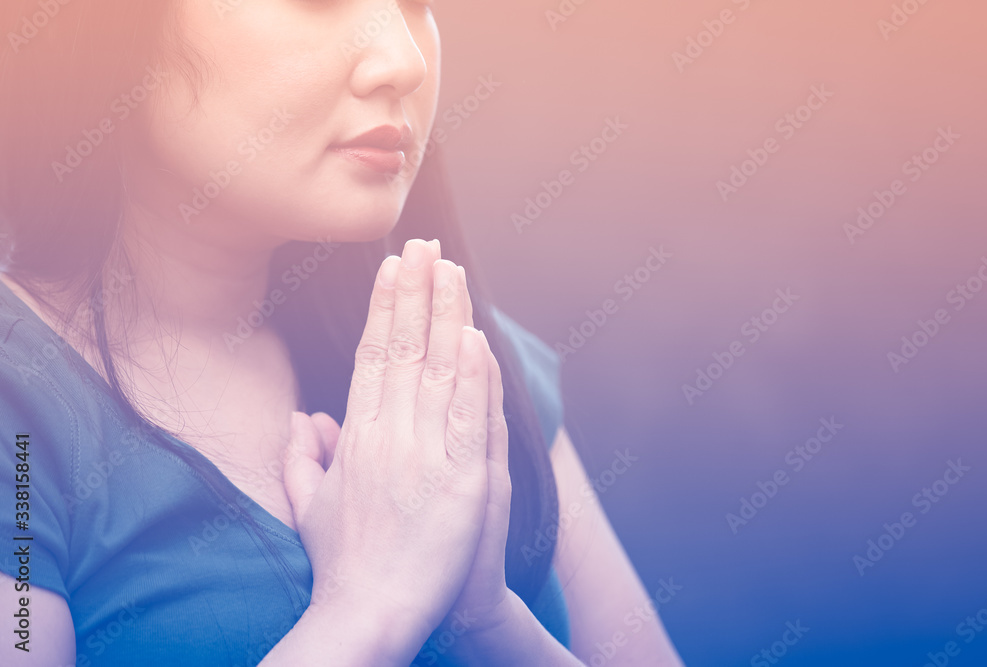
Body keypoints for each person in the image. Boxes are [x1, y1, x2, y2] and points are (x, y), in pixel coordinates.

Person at [0, 1, 685, 664]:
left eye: (419, 1)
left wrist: (488, 621)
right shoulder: (21, 411)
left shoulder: (455, 355)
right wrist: (369, 607)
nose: (404, 61)